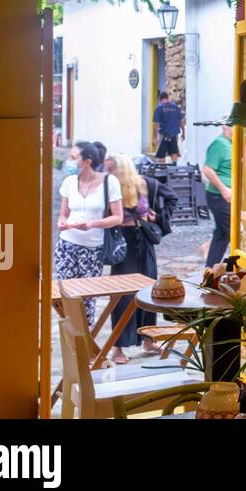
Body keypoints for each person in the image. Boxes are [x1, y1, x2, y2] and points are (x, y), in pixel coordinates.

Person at [55, 141, 123, 328]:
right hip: (66, 245)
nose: (69, 161)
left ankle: (85, 342)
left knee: (87, 297)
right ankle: (70, 337)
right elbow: (63, 213)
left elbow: (118, 217)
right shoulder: (69, 182)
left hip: (93, 248)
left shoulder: (110, 182)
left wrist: (93, 224)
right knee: (65, 295)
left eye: (73, 157)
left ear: (87, 161)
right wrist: (61, 222)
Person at [104, 155, 163, 364]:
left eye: (110, 169)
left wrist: (158, 216)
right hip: (124, 243)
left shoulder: (144, 184)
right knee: (122, 295)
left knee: (149, 289)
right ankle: (117, 347)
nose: (107, 173)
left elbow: (170, 197)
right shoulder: (110, 189)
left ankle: (148, 339)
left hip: (144, 240)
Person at [200, 124, 233, 269]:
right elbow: (207, 169)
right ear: (225, 127)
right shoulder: (220, 144)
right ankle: (238, 271)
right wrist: (224, 189)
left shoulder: (232, 144)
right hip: (219, 196)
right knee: (236, 231)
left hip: (225, 196)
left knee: (222, 234)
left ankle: (211, 270)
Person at [152, 90, 185, 162]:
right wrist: (183, 133)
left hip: (164, 135)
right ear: (168, 98)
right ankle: (174, 169)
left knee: (161, 154)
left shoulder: (159, 108)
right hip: (174, 135)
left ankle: (162, 170)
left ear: (160, 99)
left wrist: (154, 137)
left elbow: (155, 124)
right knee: (174, 152)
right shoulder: (175, 107)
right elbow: (181, 121)